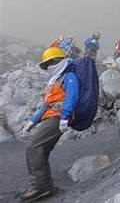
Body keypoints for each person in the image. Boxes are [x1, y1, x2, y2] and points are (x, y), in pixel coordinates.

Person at [19, 47, 80, 201]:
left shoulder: (69, 76)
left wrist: (65, 117)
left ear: (57, 61)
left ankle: (39, 187)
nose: (48, 67)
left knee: (33, 147)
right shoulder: (56, 79)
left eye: (49, 63)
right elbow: (47, 105)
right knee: (41, 150)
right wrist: (33, 121)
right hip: (52, 116)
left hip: (58, 117)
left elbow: (72, 97)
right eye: (46, 65)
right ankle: (46, 187)